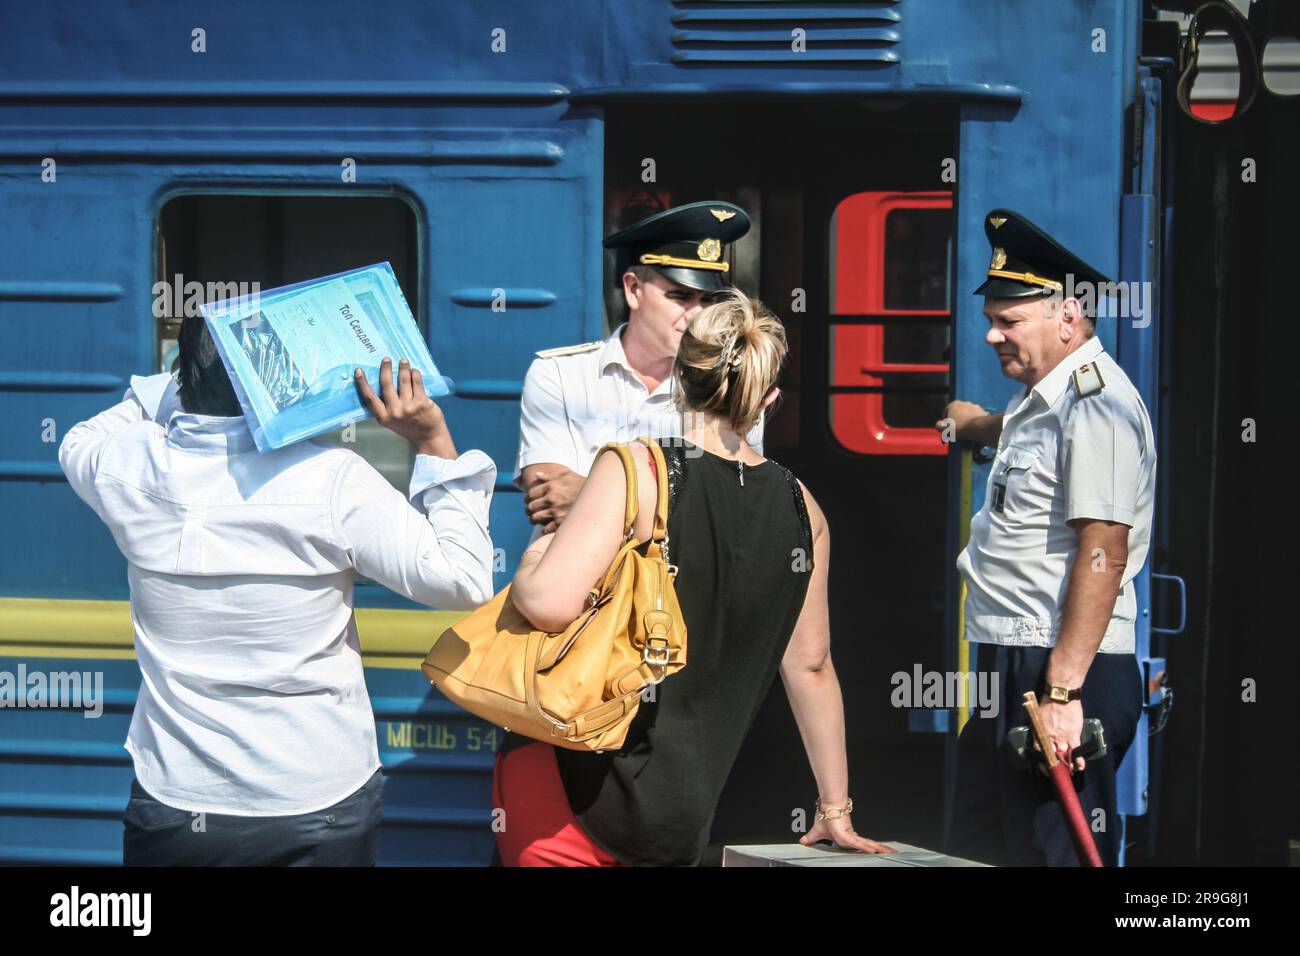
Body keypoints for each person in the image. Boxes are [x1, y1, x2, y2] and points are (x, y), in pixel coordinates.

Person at [58, 316, 496, 866]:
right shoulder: (333, 479)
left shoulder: (125, 467)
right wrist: (432, 439)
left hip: (179, 799)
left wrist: (171, 384)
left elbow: (79, 437)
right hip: (316, 800)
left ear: (180, 383)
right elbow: (464, 577)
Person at [492, 289, 896, 866]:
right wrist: (835, 809)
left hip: (564, 781)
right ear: (769, 399)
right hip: (678, 817)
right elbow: (810, 666)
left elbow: (549, 603)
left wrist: (533, 557)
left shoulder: (635, 468)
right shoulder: (804, 511)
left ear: (679, 378)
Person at [941, 209, 1156, 866]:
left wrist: (1062, 692)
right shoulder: (1047, 402)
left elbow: (1103, 545)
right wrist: (973, 424)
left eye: (1009, 321)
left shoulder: (1093, 404)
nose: (990, 335)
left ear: (1068, 316)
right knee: (990, 849)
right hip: (1013, 663)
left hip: (1061, 670)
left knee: (1052, 854)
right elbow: (1024, 438)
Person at [516, 200, 764, 535]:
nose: (696, 315)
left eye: (707, 300)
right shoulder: (559, 375)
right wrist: (669, 505)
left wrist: (592, 495)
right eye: (679, 296)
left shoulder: (730, 387)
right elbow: (551, 502)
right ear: (634, 290)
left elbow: (731, 512)